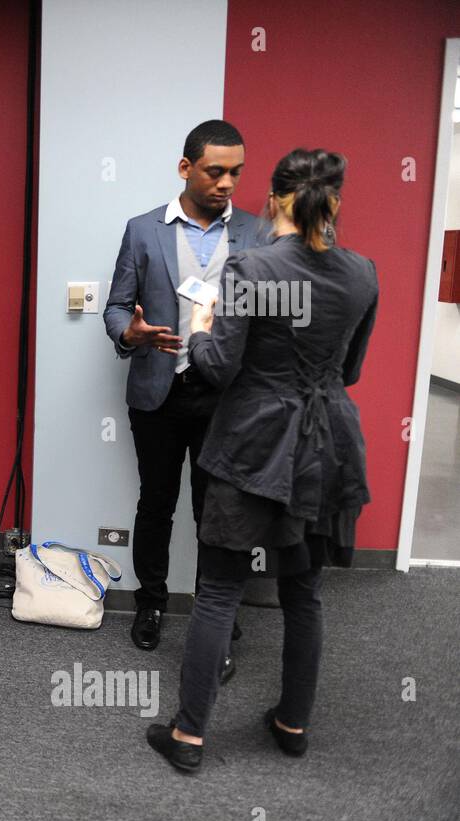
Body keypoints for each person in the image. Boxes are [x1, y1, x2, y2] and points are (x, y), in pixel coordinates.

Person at [146, 149, 378, 773]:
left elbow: (219, 367)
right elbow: (349, 370)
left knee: (219, 589)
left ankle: (190, 737)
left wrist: (199, 325)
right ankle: (292, 725)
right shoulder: (363, 273)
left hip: (253, 444)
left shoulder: (252, 267)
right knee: (304, 592)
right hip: (326, 445)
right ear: (336, 202)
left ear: (274, 199)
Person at [103, 120, 266, 677]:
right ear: (186, 168)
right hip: (159, 390)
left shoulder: (255, 232)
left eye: (235, 173)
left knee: (216, 514)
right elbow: (116, 306)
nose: (226, 182)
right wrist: (132, 334)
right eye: (215, 171)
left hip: (226, 397)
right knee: (157, 503)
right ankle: (150, 603)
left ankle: (213, 617)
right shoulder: (143, 230)